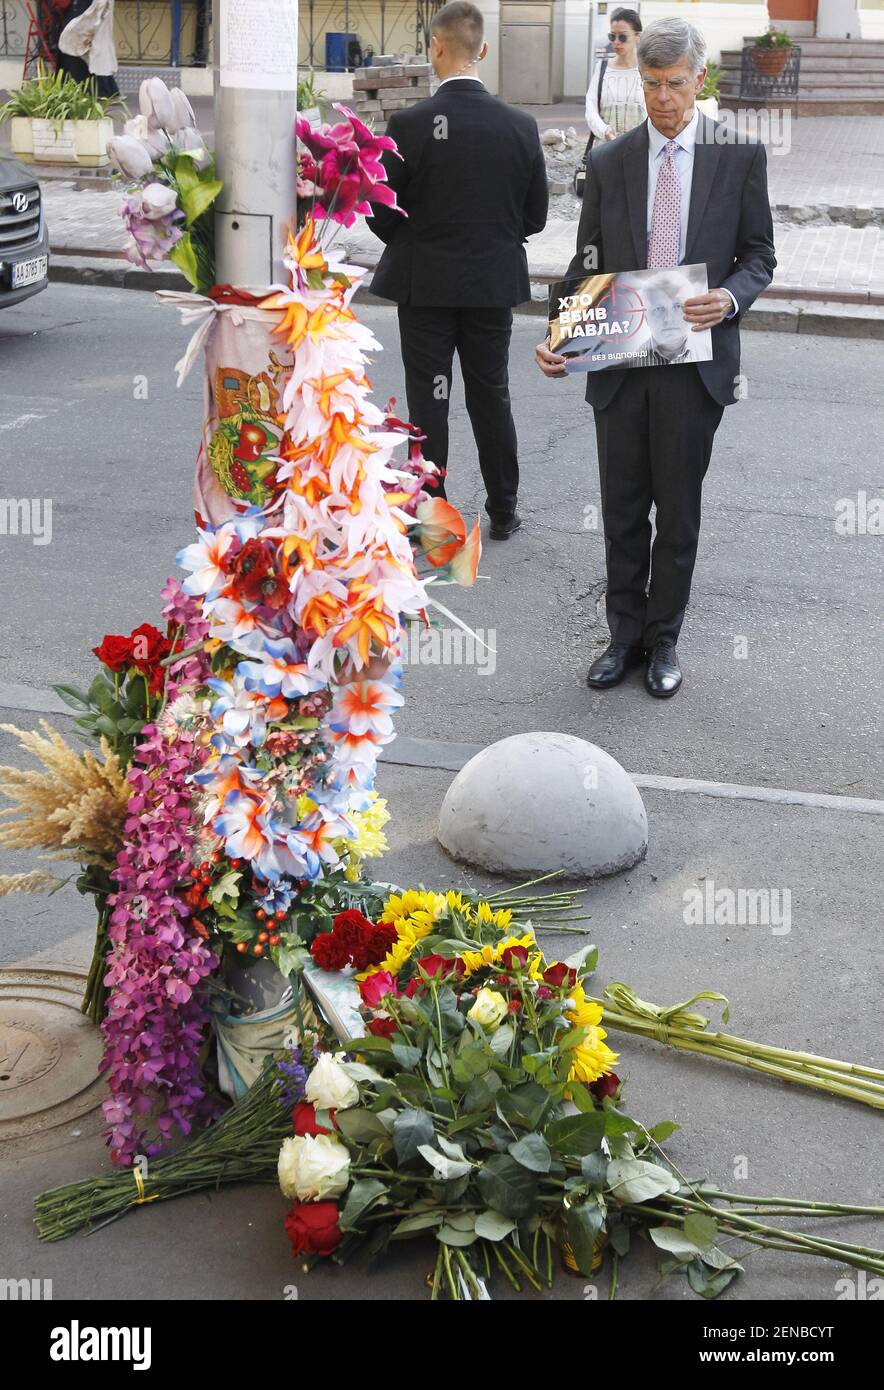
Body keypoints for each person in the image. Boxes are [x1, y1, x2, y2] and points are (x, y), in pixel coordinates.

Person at [536, 18, 775, 698]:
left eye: (674, 84)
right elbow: (589, 262)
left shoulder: (739, 157)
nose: (662, 97)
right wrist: (562, 338)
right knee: (621, 508)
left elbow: (759, 255)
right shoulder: (610, 161)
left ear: (699, 80)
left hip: (694, 367)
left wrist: (729, 299)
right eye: (649, 84)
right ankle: (622, 637)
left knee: (677, 511)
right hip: (618, 363)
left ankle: (663, 640)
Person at [366, 0, 549, 540]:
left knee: (429, 398)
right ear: (483, 50)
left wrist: (416, 244)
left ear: (435, 48)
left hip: (424, 286)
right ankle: (503, 510)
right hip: (492, 284)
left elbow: (380, 208)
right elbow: (535, 215)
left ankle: (431, 517)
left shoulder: (409, 123)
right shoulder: (519, 124)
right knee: (491, 393)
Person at [585, 8, 646, 144]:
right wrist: (605, 131)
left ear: (637, 36)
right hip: (606, 149)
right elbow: (591, 109)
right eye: (612, 36)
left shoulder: (647, 70)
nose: (616, 42)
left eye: (623, 37)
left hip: (639, 149)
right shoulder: (602, 68)